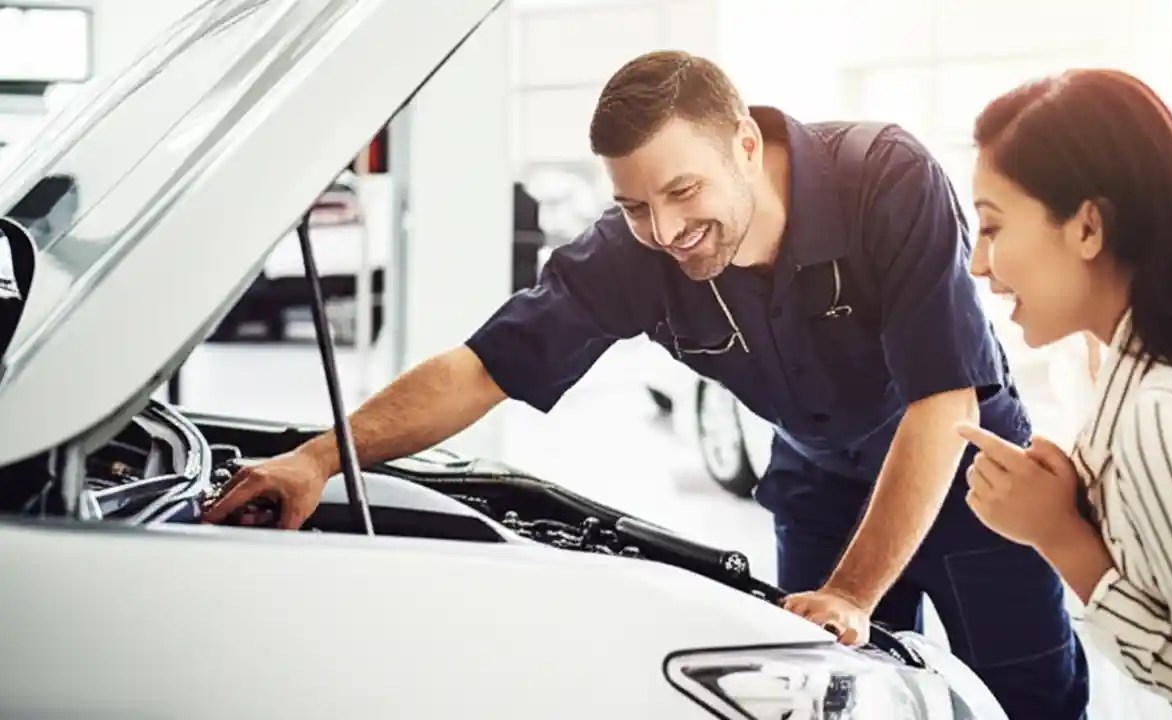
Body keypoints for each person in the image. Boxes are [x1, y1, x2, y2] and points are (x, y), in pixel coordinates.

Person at [202, 50, 1089, 718]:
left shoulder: (885, 179)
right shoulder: (635, 250)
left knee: (1027, 701)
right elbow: (483, 368)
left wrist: (855, 594)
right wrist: (316, 458)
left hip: (978, 483)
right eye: (634, 205)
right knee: (827, 702)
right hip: (820, 485)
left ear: (745, 144)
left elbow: (944, 398)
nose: (663, 229)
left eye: (682, 190)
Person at [958, 68, 1172, 719]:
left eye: (991, 228)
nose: (977, 263)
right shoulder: (1160, 363)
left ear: (1087, 228)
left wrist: (1062, 537)